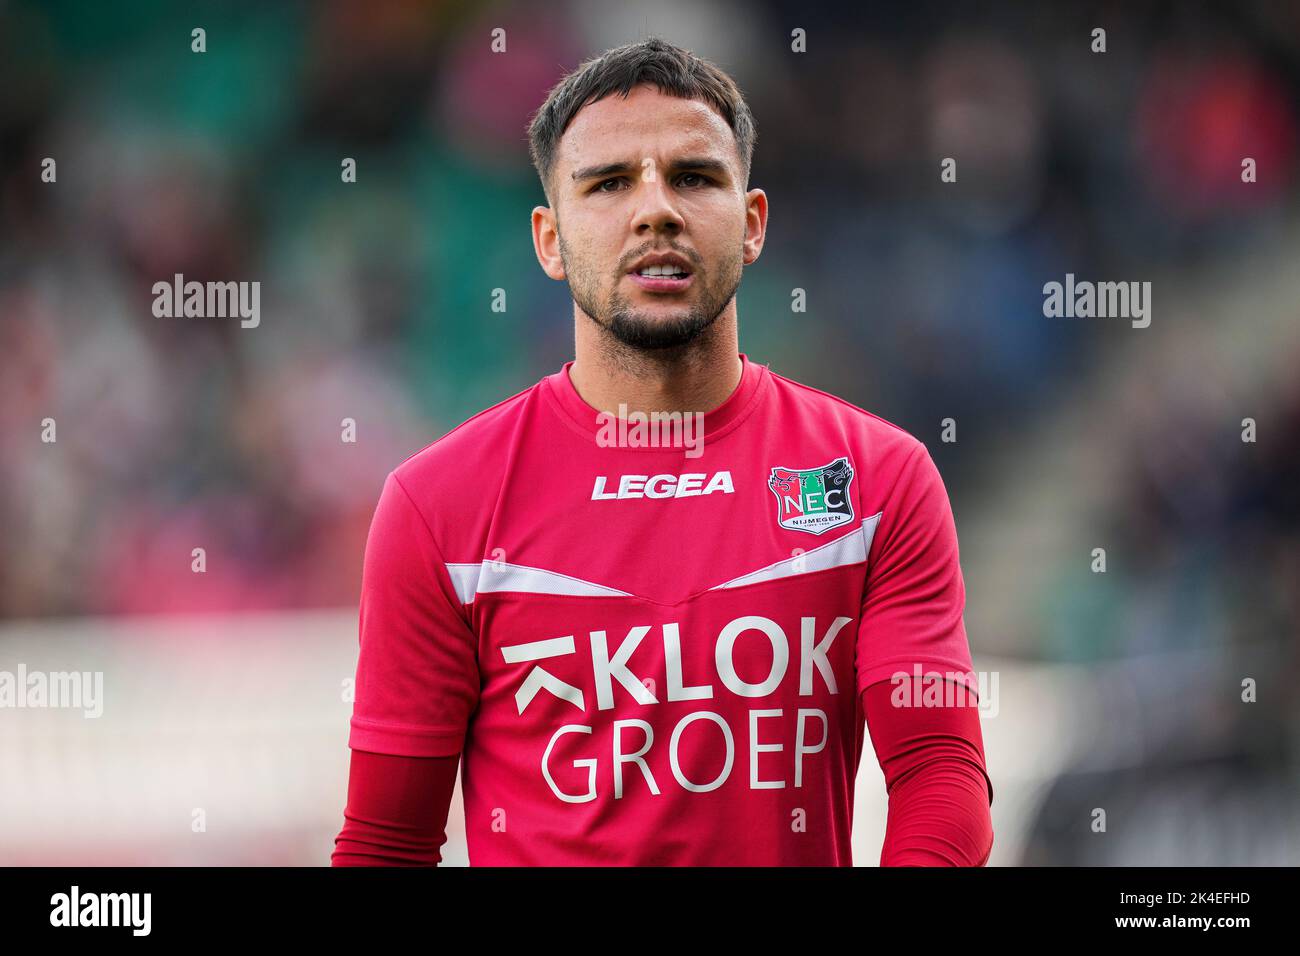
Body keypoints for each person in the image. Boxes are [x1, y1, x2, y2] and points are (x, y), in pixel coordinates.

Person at [333, 37, 992, 866]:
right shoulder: (439, 507)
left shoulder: (878, 481)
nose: (656, 210)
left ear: (751, 225)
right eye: (609, 183)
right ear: (550, 239)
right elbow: (387, 841)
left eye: (693, 177)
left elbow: (939, 771)